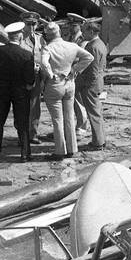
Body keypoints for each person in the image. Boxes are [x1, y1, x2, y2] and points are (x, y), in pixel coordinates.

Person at [39, 22, 93, 160]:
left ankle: (60, 151)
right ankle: (72, 148)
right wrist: (74, 69)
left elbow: (44, 63)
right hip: (69, 82)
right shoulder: (72, 46)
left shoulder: (48, 48)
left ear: (47, 35)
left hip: (55, 84)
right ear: (59, 32)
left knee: (57, 119)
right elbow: (89, 57)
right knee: (69, 117)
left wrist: (50, 75)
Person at [0, 22, 37, 161]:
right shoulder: (26, 54)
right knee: (22, 122)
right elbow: (30, 79)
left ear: (8, 36)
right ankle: (25, 154)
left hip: (1, 90)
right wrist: (29, 86)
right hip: (20, 91)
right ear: (20, 36)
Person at [73, 18, 107, 151]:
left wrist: (84, 85)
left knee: (93, 114)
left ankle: (98, 142)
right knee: (97, 112)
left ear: (92, 32)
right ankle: (100, 140)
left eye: (84, 31)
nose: (82, 34)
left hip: (90, 85)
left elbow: (92, 71)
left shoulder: (92, 47)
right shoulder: (100, 44)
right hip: (96, 82)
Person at [21, 12, 46, 141]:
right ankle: (22, 135)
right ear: (23, 24)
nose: (31, 27)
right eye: (28, 24)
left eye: (33, 24)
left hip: (37, 76)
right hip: (22, 77)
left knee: (35, 106)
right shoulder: (19, 38)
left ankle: (33, 133)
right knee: (22, 106)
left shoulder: (40, 38)